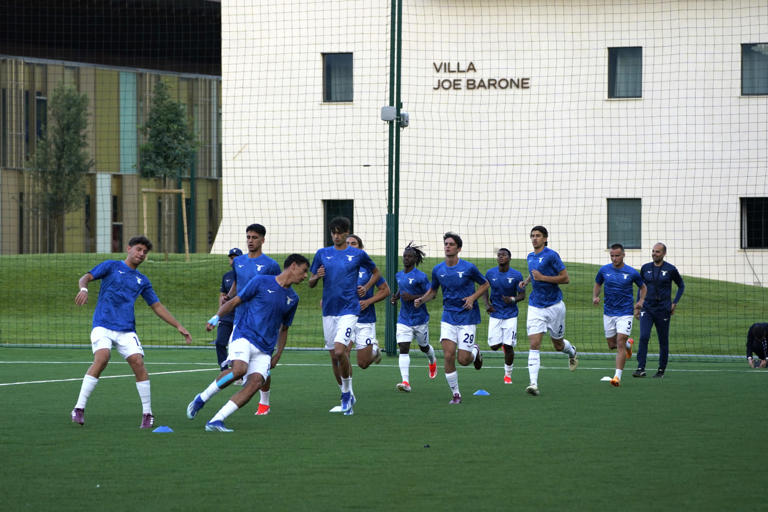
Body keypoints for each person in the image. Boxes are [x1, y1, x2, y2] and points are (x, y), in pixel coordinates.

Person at [71, 235, 192, 428]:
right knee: (102, 357)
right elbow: (85, 277)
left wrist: (178, 326)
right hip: (102, 324)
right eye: (138, 249)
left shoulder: (142, 280)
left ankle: (147, 413)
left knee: (138, 362)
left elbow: (157, 306)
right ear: (129, 249)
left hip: (126, 329)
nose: (141, 254)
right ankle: (79, 408)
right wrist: (84, 289)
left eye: (145, 252)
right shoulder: (111, 266)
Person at [186, 254, 309, 432]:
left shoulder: (293, 298)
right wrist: (217, 317)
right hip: (244, 335)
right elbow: (235, 301)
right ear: (293, 266)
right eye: (304, 271)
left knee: (255, 383)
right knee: (239, 370)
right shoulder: (261, 281)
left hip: (265, 349)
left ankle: (216, 420)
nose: (305, 276)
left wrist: (278, 354)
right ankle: (202, 398)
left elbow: (284, 329)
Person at [308, 217, 382, 415]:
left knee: (341, 351)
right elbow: (311, 282)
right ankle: (348, 394)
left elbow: (376, 272)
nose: (336, 236)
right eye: (333, 232)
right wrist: (316, 276)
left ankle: (346, 394)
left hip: (349, 310)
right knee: (334, 357)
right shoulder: (322, 253)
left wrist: (366, 287)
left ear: (346, 232)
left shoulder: (358, 254)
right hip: (329, 311)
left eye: (340, 232)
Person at [414, 232, 489, 404]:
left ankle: (475, 351)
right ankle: (456, 394)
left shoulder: (469, 268)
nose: (447, 246)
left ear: (459, 248)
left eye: (451, 244)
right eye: (446, 244)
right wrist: (421, 299)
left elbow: (485, 284)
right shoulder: (438, 269)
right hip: (448, 317)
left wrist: (472, 298)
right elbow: (433, 291)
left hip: (467, 317)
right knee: (448, 355)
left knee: (463, 360)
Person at [226, 224, 281, 415]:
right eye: (248, 237)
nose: (250, 241)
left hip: (261, 323)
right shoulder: (238, 262)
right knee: (237, 365)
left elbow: (277, 289)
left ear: (263, 240)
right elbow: (237, 282)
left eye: (255, 237)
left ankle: (264, 402)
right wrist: (229, 297)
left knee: (260, 366)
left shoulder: (271, 265)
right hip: (240, 320)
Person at [519, 226, 578, 397]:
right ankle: (533, 384)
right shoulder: (530, 256)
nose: (534, 238)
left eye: (538, 236)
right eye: (532, 236)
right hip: (535, 306)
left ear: (545, 238)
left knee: (558, 345)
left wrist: (543, 278)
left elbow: (565, 278)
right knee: (534, 344)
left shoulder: (552, 255)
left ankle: (572, 351)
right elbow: (534, 273)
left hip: (554, 306)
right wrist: (527, 281)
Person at [593, 243, 647, 387]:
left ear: (623, 255)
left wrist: (641, 301)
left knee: (620, 342)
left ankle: (617, 377)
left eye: (617, 255)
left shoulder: (632, 272)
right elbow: (598, 283)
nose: (614, 258)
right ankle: (629, 345)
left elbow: (643, 287)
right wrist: (595, 296)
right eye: (612, 256)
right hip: (609, 312)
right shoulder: (604, 270)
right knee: (612, 345)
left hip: (625, 312)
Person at [390, 242, 438, 392]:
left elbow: (432, 294)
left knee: (424, 347)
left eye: (409, 256)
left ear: (415, 259)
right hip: (404, 319)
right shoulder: (399, 275)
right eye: (405, 256)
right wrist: (396, 297)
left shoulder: (421, 277)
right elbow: (401, 289)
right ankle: (406, 382)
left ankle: (432, 360)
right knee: (403, 348)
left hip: (420, 319)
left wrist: (413, 297)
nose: (406, 258)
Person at [633, 242, 685, 379]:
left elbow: (681, 286)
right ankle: (640, 368)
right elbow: (641, 287)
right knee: (644, 337)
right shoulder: (645, 268)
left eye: (657, 252)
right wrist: (638, 304)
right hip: (647, 308)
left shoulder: (671, 269)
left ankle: (661, 369)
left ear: (664, 253)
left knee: (663, 340)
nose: (654, 254)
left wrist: (674, 303)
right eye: (653, 251)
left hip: (663, 309)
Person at [483, 248, 525, 384]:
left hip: (511, 315)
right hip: (495, 313)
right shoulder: (490, 273)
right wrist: (487, 304)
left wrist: (512, 299)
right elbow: (484, 289)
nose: (500, 257)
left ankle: (508, 374)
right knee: (494, 346)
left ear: (509, 258)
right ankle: (502, 344)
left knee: (509, 346)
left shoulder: (517, 275)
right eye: (499, 255)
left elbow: (522, 295)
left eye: (504, 255)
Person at [347, 234, 390, 368]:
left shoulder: (369, 269)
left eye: (353, 243)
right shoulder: (340, 267)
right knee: (342, 352)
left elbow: (385, 290)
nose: (350, 246)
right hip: (346, 317)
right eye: (347, 243)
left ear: (360, 248)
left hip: (365, 319)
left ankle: (374, 350)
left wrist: (368, 302)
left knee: (363, 364)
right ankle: (346, 382)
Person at [214, 247, 242, 371]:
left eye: (236, 258)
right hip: (227, 316)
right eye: (231, 258)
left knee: (237, 346)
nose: (233, 260)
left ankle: (239, 371)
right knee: (220, 342)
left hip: (241, 316)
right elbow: (222, 296)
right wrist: (219, 314)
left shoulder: (247, 275)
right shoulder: (226, 276)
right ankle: (224, 370)